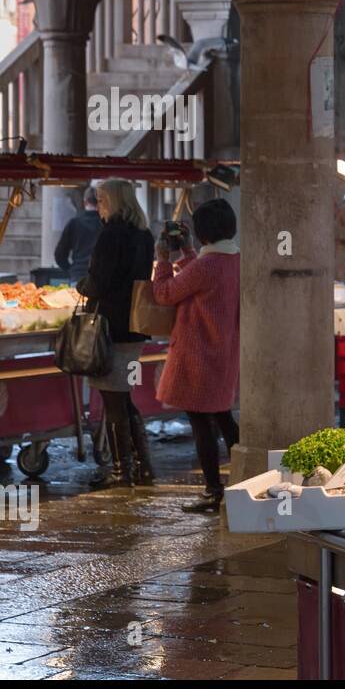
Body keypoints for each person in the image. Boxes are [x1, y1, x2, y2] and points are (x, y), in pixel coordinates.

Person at [152, 198, 241, 513]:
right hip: (224, 353)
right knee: (222, 417)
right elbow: (200, 280)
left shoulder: (207, 265)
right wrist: (188, 252)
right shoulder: (235, 260)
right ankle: (244, 480)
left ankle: (213, 491)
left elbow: (165, 294)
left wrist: (163, 259)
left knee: (202, 422)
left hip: (198, 355)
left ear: (203, 233)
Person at [77, 179, 155, 488]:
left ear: (113, 202)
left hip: (109, 327)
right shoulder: (144, 235)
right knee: (123, 395)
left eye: (101, 201)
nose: (98, 207)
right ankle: (143, 466)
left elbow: (99, 282)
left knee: (113, 399)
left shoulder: (111, 235)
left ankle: (123, 472)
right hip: (135, 326)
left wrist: (81, 286)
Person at [54, 187, 102, 283]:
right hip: (100, 276)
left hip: (78, 275)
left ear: (85, 202)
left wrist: (70, 269)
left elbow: (59, 254)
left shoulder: (74, 223)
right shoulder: (106, 224)